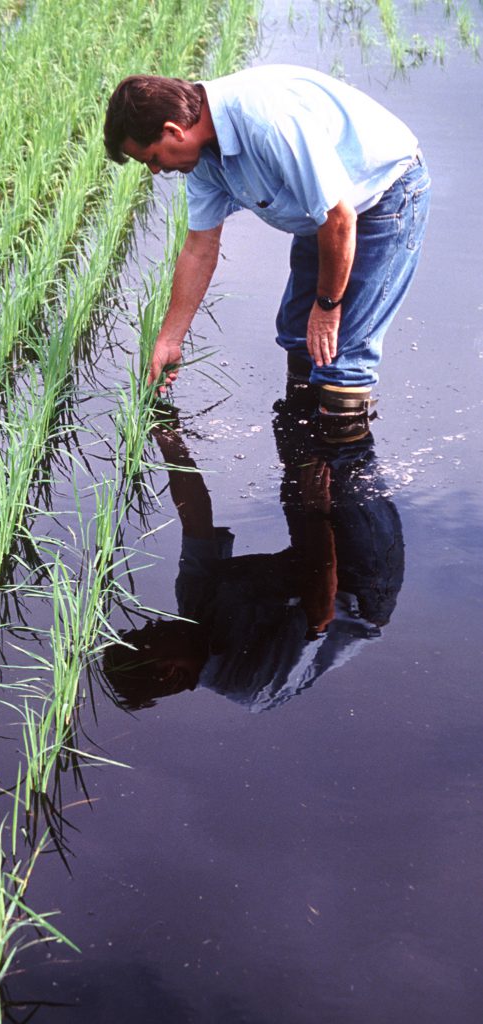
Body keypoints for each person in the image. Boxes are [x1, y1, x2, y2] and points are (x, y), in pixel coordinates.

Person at [104, 64, 431, 443]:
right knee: (297, 336)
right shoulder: (202, 160)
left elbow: (340, 219)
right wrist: (168, 340)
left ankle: (345, 482)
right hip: (322, 213)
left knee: (342, 362)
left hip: (381, 194)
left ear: (174, 131)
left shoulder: (266, 123)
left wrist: (327, 305)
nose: (158, 171)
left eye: (153, 159)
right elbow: (199, 248)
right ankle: (305, 474)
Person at [102, 405, 404, 711]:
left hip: (309, 553)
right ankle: (348, 389)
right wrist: (315, 513)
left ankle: (309, 366)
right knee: (344, 451)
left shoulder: (194, 602)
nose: (155, 622)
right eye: (148, 637)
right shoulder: (252, 681)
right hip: (358, 588)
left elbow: (196, 522)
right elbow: (319, 610)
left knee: (296, 428)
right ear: (168, 671)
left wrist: (169, 439)